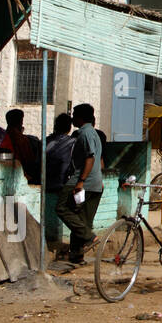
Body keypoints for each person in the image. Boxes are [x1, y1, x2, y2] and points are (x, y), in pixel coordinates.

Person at [57, 104, 103, 265]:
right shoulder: (94, 134)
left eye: (75, 115)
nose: (72, 119)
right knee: (81, 220)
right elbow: (100, 161)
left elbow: (90, 158)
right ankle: (77, 255)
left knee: (62, 208)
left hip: (83, 182)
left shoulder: (85, 134)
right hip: (95, 183)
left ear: (81, 117)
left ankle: (90, 237)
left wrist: (81, 181)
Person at [43, 113, 75, 254]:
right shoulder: (72, 143)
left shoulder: (46, 141)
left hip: (45, 183)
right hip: (62, 184)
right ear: (69, 127)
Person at [0, 109, 43, 186]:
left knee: (8, 195)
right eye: (21, 120)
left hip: (6, 173)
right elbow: (28, 159)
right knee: (10, 196)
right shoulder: (21, 139)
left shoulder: (3, 136)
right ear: (19, 121)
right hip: (19, 174)